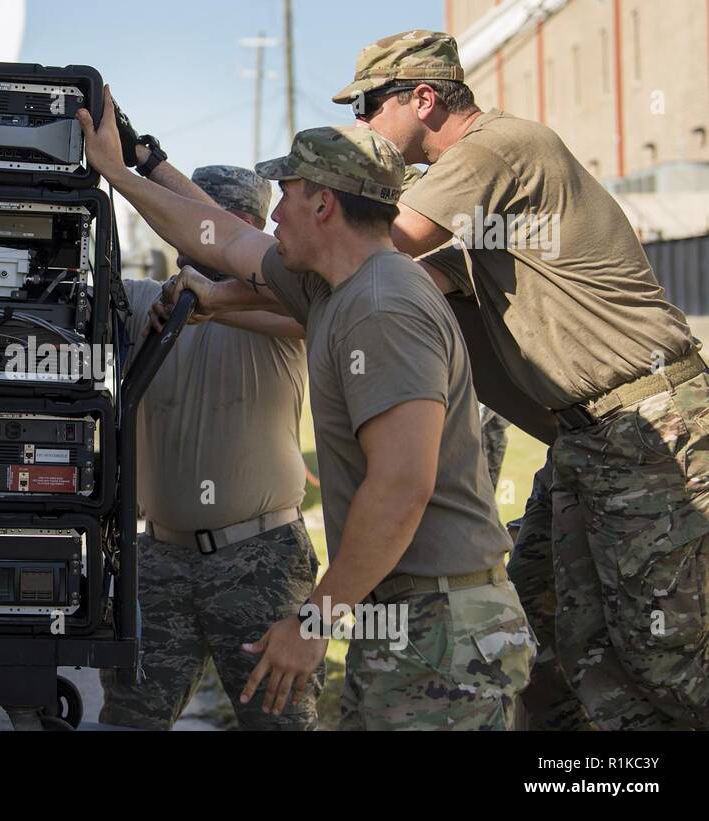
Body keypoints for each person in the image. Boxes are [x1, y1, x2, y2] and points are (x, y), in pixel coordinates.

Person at [76, 103, 535, 728]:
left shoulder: (382, 307)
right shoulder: (336, 286)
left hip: (441, 626)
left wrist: (312, 620)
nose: (272, 216)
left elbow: (401, 486)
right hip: (410, 615)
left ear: (322, 206)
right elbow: (221, 237)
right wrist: (127, 169)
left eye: (285, 195)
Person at [337, 29, 709, 730]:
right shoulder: (481, 200)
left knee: (668, 655)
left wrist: (310, 225)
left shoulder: (496, 150)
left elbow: (381, 246)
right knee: (551, 633)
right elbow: (393, 281)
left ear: (422, 98)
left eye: (368, 103)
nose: (361, 123)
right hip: (589, 440)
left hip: (651, 425)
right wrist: (218, 296)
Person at [96, 155, 319, 730]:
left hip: (260, 560)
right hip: (160, 560)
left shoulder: (286, 307)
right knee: (129, 719)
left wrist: (218, 291)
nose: (210, 240)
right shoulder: (146, 304)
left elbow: (299, 304)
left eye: (231, 226)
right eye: (196, 223)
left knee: (277, 722)